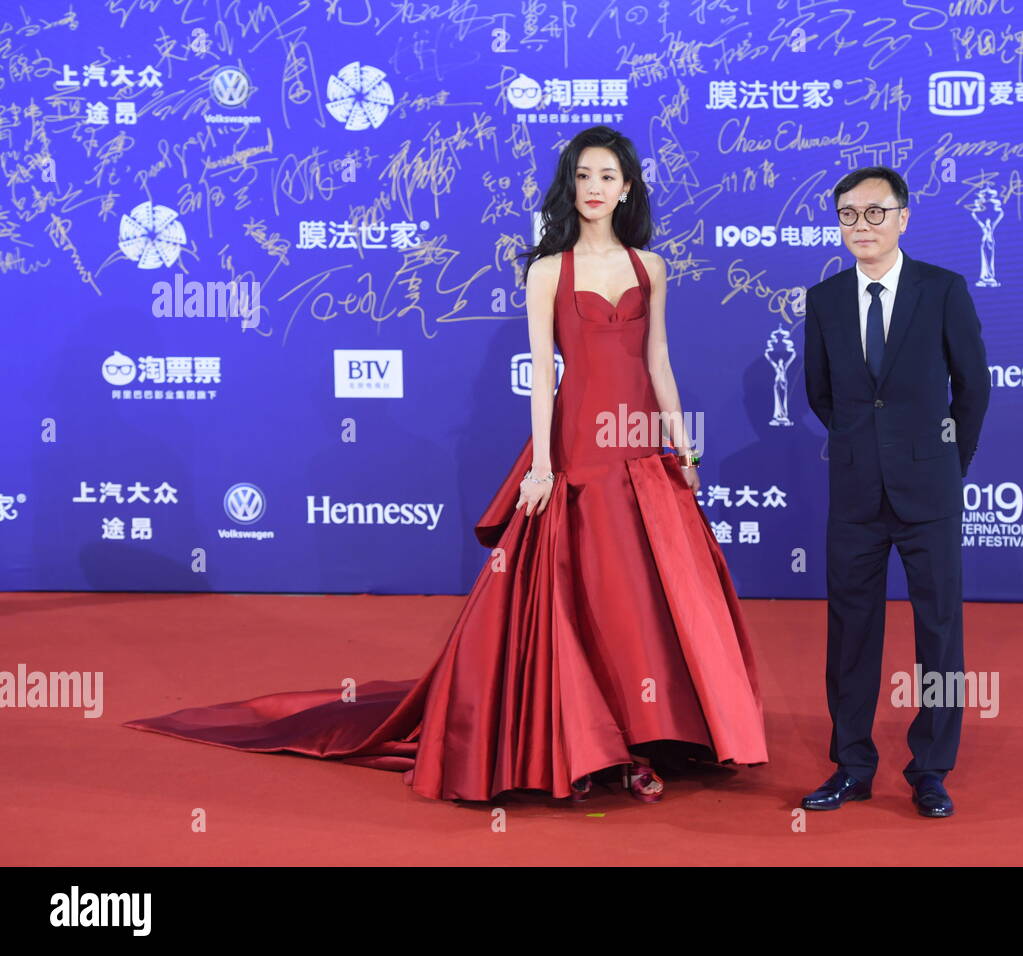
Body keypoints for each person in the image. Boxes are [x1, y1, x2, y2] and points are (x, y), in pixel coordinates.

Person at [124, 126, 768, 803]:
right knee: (591, 598)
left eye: (607, 176)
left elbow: (658, 361)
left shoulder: (649, 267)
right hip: (581, 447)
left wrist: (681, 448)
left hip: (640, 448)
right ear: (569, 187)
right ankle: (594, 747)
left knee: (644, 601)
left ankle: (651, 735)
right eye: (582, 176)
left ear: (627, 188)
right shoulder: (548, 270)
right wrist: (543, 468)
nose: (594, 189)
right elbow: (546, 380)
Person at [800, 166, 990, 817]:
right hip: (855, 493)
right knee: (850, 632)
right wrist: (867, 452)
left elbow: (974, 388)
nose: (863, 226)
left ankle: (931, 767)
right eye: (849, 215)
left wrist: (945, 463)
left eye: (875, 213)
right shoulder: (823, 300)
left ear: (903, 217)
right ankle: (852, 764)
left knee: (938, 631)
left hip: (929, 493)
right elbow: (821, 395)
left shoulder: (942, 290)